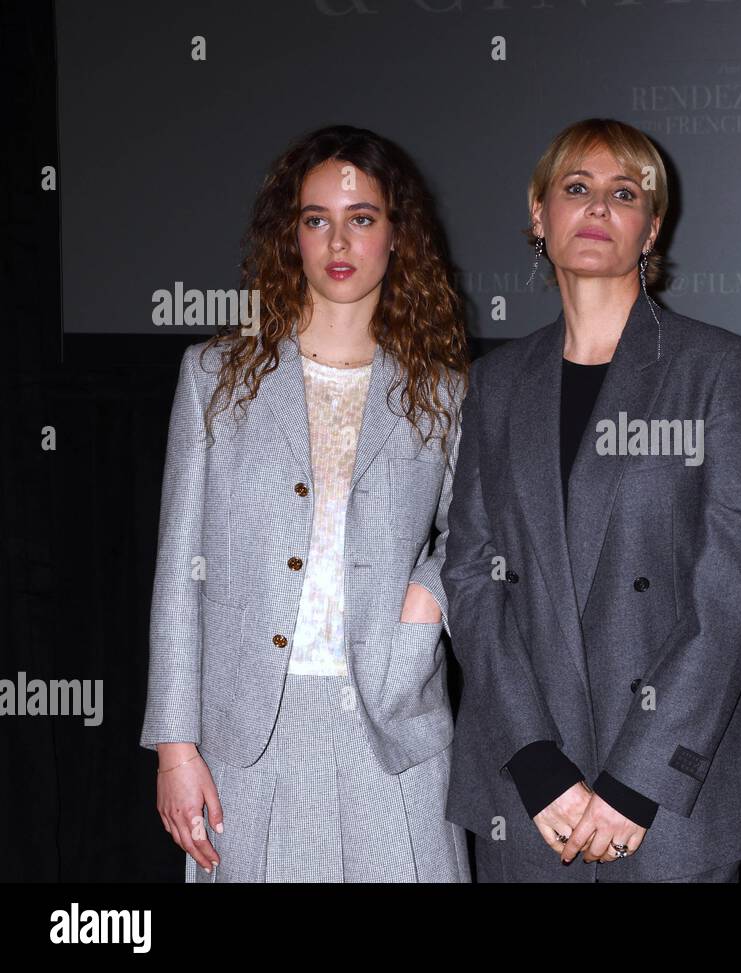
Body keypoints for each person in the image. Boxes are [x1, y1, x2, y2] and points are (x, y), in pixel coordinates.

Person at [441, 118, 741, 882]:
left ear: (651, 227)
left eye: (623, 192)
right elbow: (470, 575)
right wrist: (536, 761)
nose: (598, 206)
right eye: (577, 188)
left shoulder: (718, 367)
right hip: (530, 793)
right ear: (539, 216)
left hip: (671, 792)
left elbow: (731, 587)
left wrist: (638, 780)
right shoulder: (496, 385)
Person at [139, 125, 471, 882]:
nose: (338, 239)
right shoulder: (216, 377)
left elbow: (477, 537)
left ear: (398, 234)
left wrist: (427, 598)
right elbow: (177, 573)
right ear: (291, 236)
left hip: (395, 725)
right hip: (247, 738)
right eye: (316, 218)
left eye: (362, 216)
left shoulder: (444, 391)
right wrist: (174, 745)